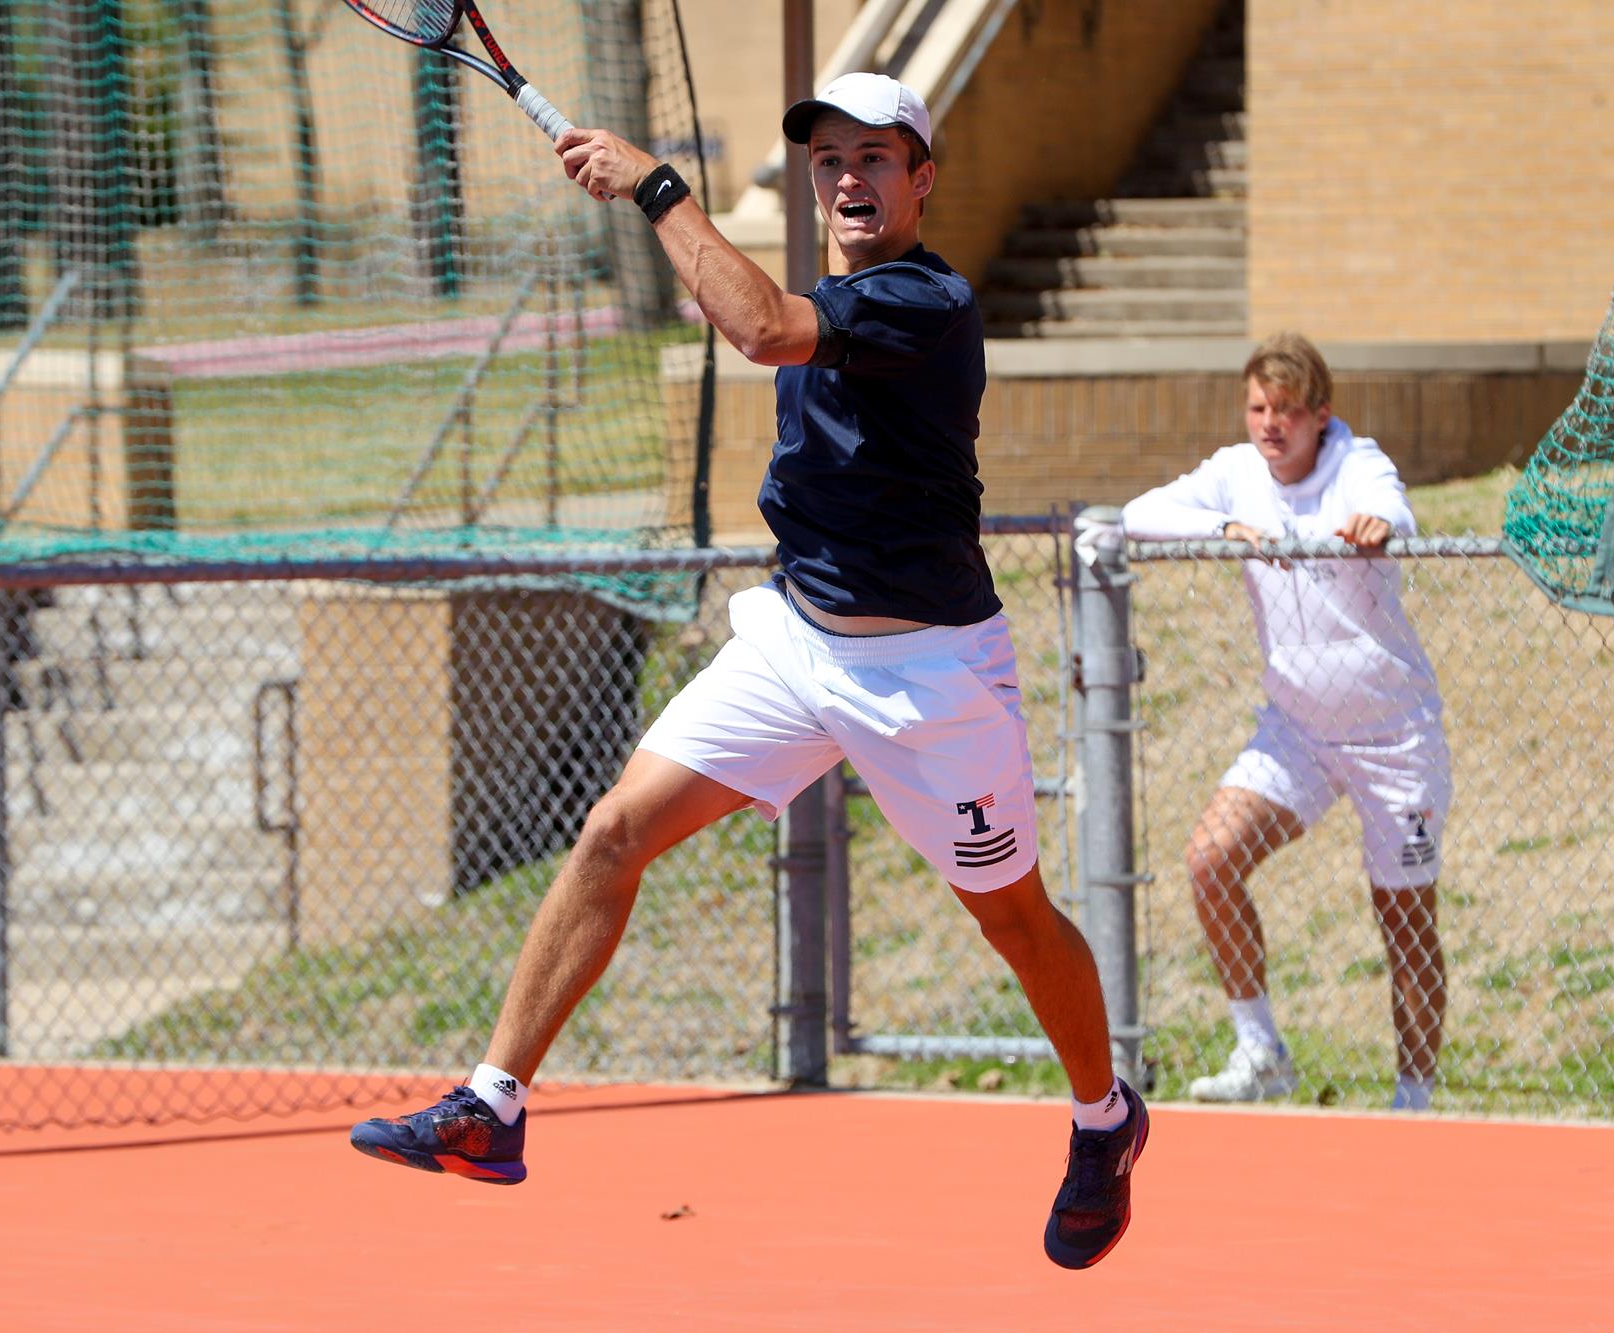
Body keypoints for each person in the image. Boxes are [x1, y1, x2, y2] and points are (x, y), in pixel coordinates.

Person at [351, 72, 1147, 1268]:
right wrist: (662, 205)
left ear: (921, 179)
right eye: (829, 159)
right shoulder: (826, 294)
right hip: (792, 641)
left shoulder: (925, 300)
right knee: (613, 829)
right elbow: (769, 316)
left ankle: (1102, 1120)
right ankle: (492, 1104)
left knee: (1014, 920)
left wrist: (655, 185)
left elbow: (760, 327)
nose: (847, 177)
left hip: (929, 676)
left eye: (874, 158)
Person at [1118, 331, 1452, 1112]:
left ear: (1321, 416)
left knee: (1404, 919)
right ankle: (1261, 1048)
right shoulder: (1237, 473)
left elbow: (1392, 506)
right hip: (1297, 727)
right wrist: (1221, 529)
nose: (1272, 424)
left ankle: (1414, 1097)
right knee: (1210, 858)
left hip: (1392, 733)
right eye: (1259, 408)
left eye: (1289, 411)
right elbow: (1135, 514)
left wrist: (1377, 524)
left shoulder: (1354, 461)